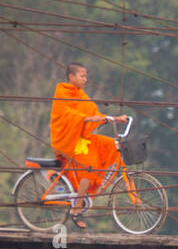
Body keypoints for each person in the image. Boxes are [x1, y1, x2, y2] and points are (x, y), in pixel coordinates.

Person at [49, 63, 128, 228]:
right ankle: (76, 210)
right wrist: (85, 119)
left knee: (111, 145)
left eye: (86, 76)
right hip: (68, 140)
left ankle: (85, 195)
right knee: (89, 167)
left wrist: (114, 118)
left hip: (81, 137)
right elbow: (67, 114)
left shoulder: (80, 94)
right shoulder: (62, 91)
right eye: (82, 76)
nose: (85, 79)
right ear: (71, 77)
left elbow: (93, 112)